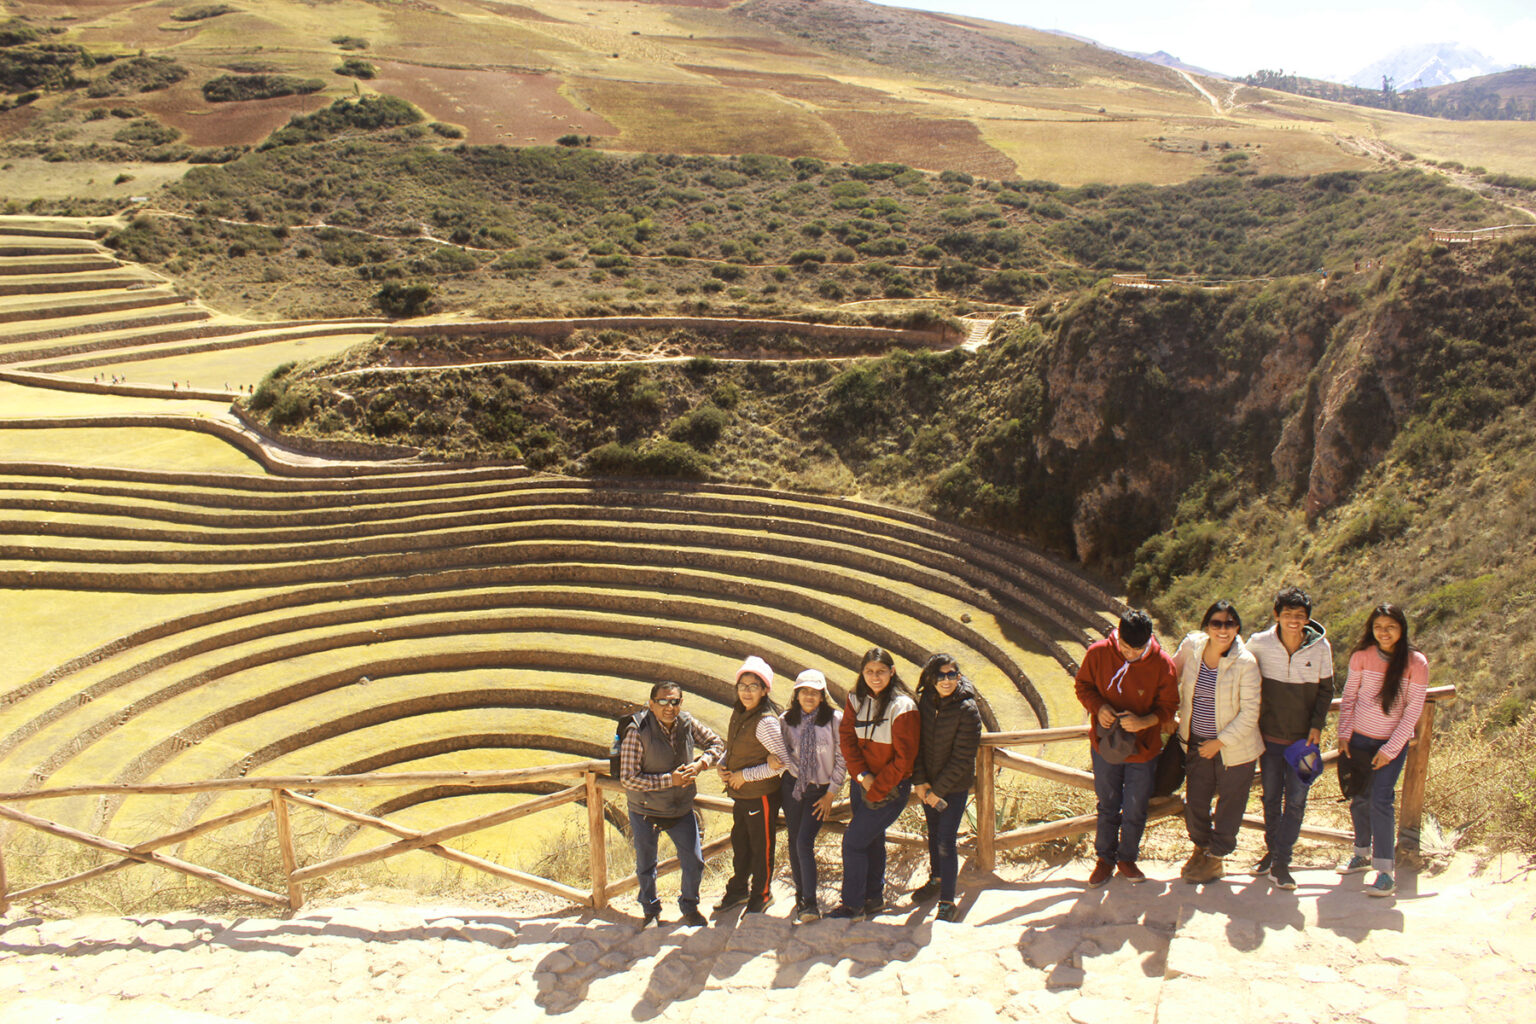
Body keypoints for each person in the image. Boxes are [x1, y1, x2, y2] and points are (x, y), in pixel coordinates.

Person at [1075, 609, 1178, 887]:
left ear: (1149, 641)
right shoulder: (1098, 654)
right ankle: (1104, 859)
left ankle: (1127, 858)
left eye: (1137, 649)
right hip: (1105, 746)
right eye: (1124, 647)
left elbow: (1169, 707)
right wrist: (1099, 708)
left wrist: (1144, 721)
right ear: (1117, 636)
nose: (1130, 654)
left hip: (1143, 750)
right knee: (1108, 804)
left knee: (1135, 806)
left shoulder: (1162, 664)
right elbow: (1083, 686)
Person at [1336, 603, 1429, 897]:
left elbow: (1413, 710)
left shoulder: (1416, 663)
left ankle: (1385, 871)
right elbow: (1349, 697)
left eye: (1390, 626)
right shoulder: (1362, 656)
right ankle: (1361, 853)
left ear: (1401, 628)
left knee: (1381, 800)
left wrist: (1391, 748)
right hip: (1359, 741)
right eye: (1378, 627)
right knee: (1359, 798)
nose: (1384, 632)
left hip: (1391, 744)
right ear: (1371, 630)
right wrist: (1343, 735)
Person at [1246, 585, 1334, 890]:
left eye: (1300, 616)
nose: (1294, 621)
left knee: (1296, 801)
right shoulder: (1258, 643)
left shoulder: (1321, 648)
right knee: (1271, 798)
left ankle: (1281, 861)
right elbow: (1242, 673)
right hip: (1269, 738)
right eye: (1287, 615)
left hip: (1305, 743)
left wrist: (1317, 726)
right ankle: (1275, 855)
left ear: (1308, 618)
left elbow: (1326, 690)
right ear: (1276, 615)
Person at [618, 681, 724, 928]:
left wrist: (701, 764)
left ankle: (689, 905)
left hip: (680, 807)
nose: (669, 707)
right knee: (646, 864)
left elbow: (716, 743)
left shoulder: (686, 722)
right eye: (663, 701)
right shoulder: (637, 731)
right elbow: (628, 778)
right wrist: (670, 780)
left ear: (681, 703)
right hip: (644, 809)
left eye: (674, 701)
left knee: (694, 861)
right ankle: (650, 910)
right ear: (652, 704)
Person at [1171, 600, 1263, 884]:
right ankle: (1201, 849)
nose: (1223, 630)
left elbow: (1250, 712)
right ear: (1207, 626)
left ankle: (1216, 858)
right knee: (1195, 802)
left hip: (1234, 748)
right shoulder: (1193, 649)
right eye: (1216, 624)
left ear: (1237, 628)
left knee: (1230, 805)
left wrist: (1219, 742)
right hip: (1197, 741)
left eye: (1229, 624)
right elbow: (1170, 676)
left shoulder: (1246, 663)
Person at [830, 647, 919, 920]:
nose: (875, 676)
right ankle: (873, 898)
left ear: (892, 672)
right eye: (869, 671)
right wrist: (862, 777)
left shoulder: (903, 706)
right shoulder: (855, 699)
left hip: (891, 788)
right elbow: (847, 739)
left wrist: (876, 787)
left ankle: (853, 905)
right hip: (863, 783)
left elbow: (904, 761)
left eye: (881, 671)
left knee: (853, 842)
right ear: (862, 673)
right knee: (872, 840)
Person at [910, 652, 983, 922]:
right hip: (927, 784)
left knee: (945, 840)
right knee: (933, 833)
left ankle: (947, 901)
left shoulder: (968, 709)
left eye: (951, 674)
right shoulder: (926, 702)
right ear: (931, 678)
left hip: (952, 787)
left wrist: (937, 791)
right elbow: (916, 744)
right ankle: (936, 878)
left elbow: (963, 757)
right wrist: (920, 781)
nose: (946, 680)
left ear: (959, 676)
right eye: (940, 675)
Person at [715, 655, 789, 914]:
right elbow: (734, 747)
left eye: (753, 686)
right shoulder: (741, 712)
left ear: (765, 689)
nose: (746, 692)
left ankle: (763, 893)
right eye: (742, 686)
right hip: (742, 794)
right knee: (742, 843)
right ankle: (738, 891)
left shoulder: (766, 722)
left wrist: (745, 776)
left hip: (761, 795)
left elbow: (784, 762)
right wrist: (722, 764)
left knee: (761, 846)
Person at [775, 668, 846, 923]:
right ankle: (801, 897)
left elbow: (842, 759)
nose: (809, 696)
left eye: (815, 692)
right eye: (804, 691)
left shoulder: (835, 720)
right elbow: (779, 753)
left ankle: (810, 903)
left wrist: (830, 794)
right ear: (796, 694)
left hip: (819, 790)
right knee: (795, 841)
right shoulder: (785, 720)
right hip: (793, 788)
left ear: (822, 695)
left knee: (804, 841)